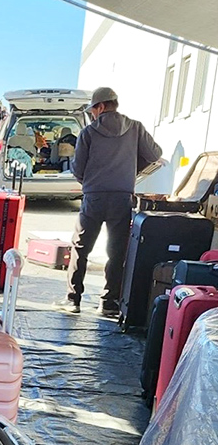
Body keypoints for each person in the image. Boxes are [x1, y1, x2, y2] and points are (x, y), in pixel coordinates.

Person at [54, 87, 162, 317]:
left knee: (80, 248)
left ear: (101, 106)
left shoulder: (88, 133)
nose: (93, 114)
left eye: (93, 109)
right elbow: (156, 155)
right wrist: (132, 170)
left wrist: (92, 182)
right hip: (123, 197)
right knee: (117, 251)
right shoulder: (135, 128)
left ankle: (73, 299)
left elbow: (78, 168)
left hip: (94, 197)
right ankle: (109, 303)